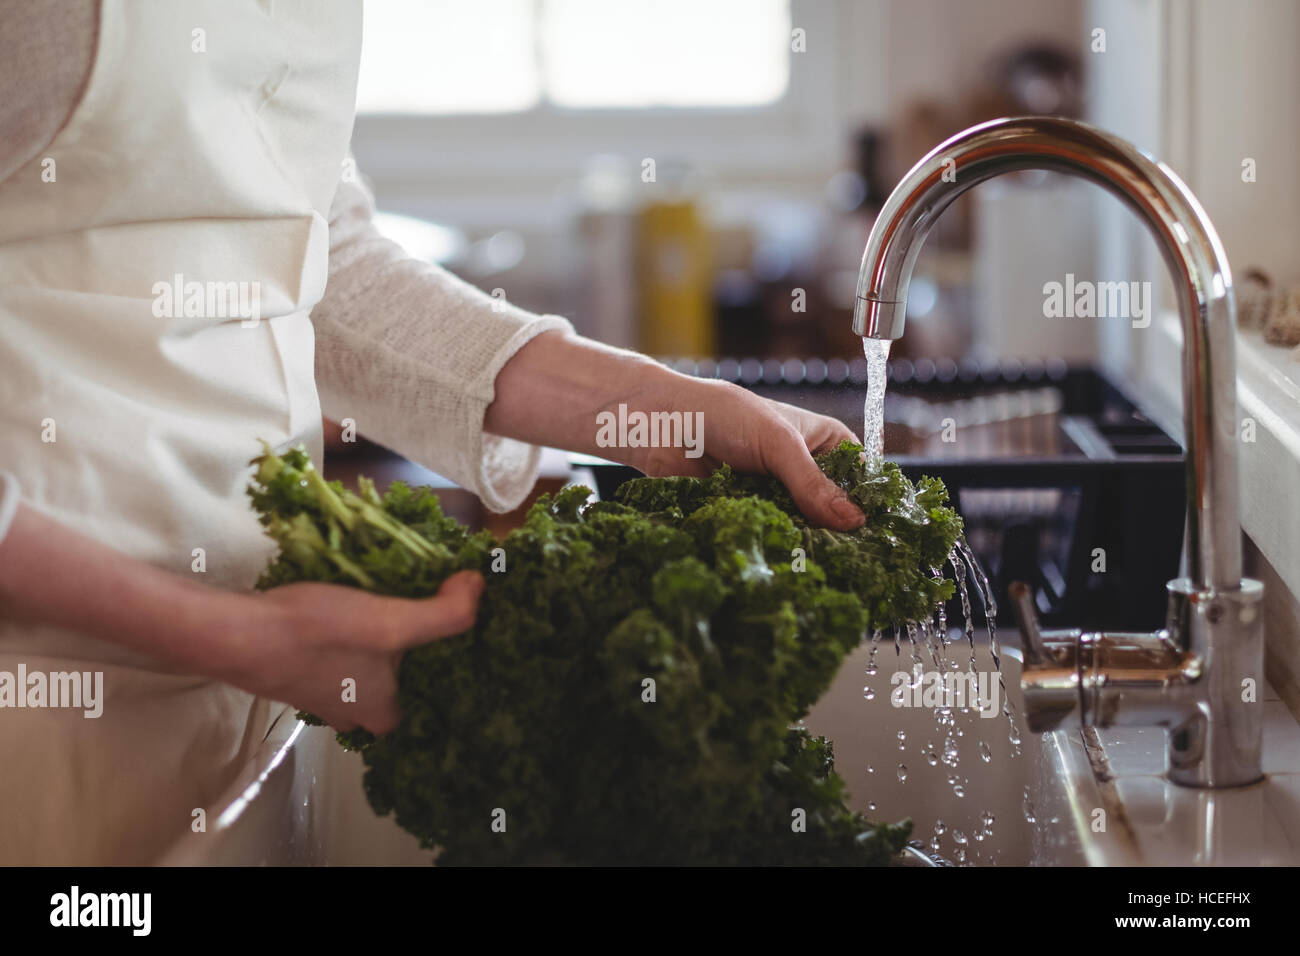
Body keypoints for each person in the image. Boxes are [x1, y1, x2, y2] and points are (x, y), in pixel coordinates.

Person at [0, 0, 863, 865]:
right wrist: (234, 634)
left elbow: (323, 259)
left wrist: (661, 403)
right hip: (45, 713)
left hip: (247, 695)